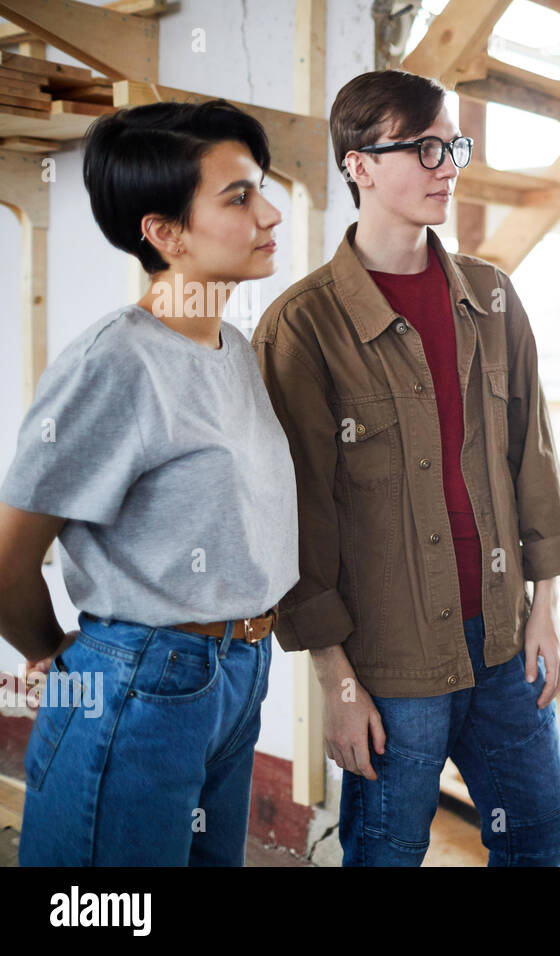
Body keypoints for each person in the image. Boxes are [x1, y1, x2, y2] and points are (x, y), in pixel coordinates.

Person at [252, 70, 560, 867]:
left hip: (504, 642)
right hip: (391, 658)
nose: (448, 165)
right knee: (388, 851)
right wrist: (336, 683)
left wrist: (546, 606)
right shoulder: (303, 327)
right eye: (425, 147)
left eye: (453, 145)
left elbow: (530, 458)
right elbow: (298, 519)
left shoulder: (493, 297)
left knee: (539, 834)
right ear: (359, 164)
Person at [0, 99, 298, 865]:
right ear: (165, 234)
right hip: (138, 684)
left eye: (261, 187)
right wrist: (66, 660)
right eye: (237, 196)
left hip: (238, 675)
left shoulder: (233, 347)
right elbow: (6, 559)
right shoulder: (113, 361)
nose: (269, 212)